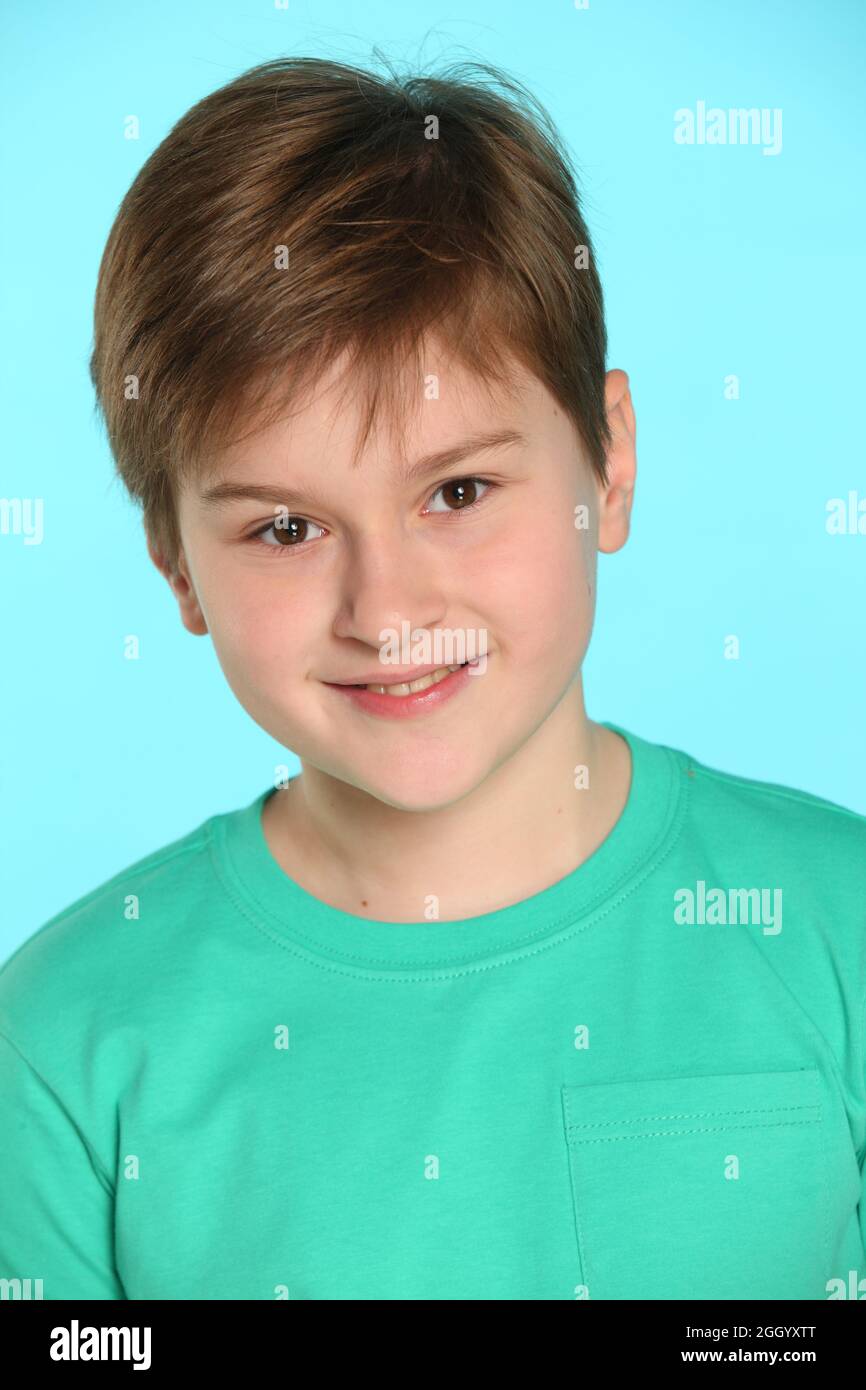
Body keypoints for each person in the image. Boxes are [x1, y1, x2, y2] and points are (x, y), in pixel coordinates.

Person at [1, 56, 864, 1302]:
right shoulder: (63, 1048)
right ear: (174, 565)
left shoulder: (834, 932)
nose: (387, 609)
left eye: (456, 492)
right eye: (284, 529)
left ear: (607, 463)